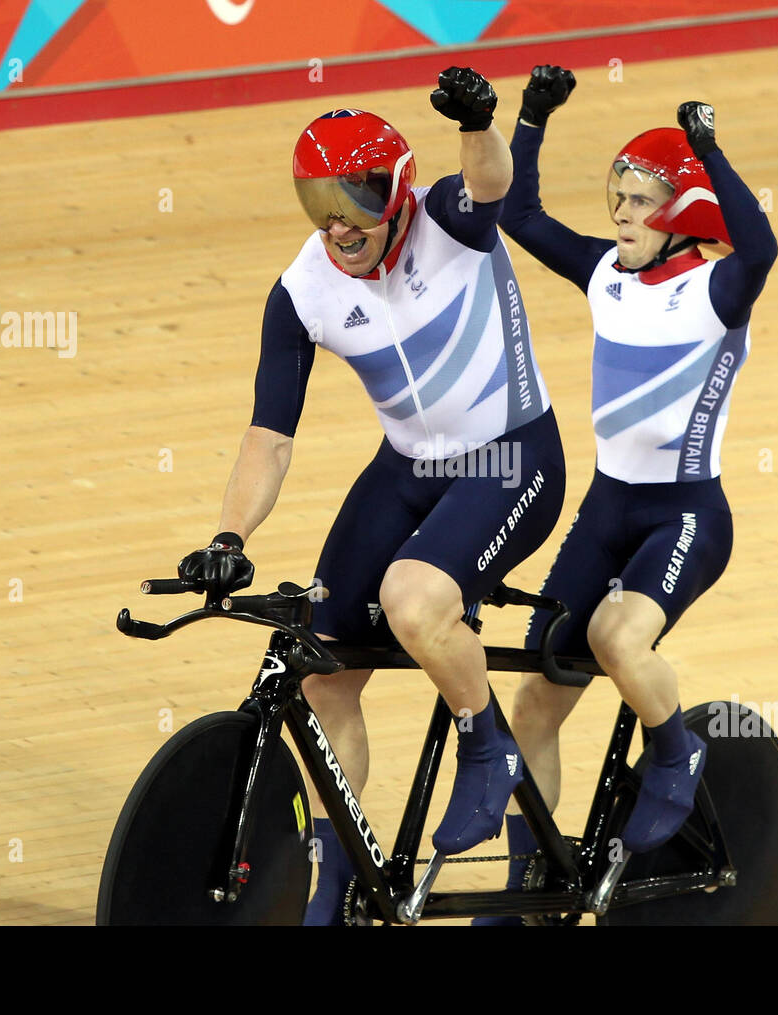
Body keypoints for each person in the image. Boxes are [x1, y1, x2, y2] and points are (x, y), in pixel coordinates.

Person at [176, 68, 567, 925]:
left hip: (511, 459)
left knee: (412, 600)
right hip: (407, 470)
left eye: (354, 197)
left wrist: (479, 121)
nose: (336, 222)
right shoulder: (302, 289)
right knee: (324, 671)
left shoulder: (447, 222)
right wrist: (229, 534)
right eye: (318, 200)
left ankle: (486, 743)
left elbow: (492, 181)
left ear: (394, 189)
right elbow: (268, 435)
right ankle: (340, 877)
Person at [480, 66, 778, 922]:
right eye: (615, 198)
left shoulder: (718, 289)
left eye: (640, 201)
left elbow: (763, 247)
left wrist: (708, 148)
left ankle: (674, 753)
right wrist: (532, 119)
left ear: (682, 212)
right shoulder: (606, 274)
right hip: (607, 511)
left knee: (617, 634)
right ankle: (530, 886)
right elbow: (521, 215)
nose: (619, 216)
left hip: (685, 516)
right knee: (535, 700)